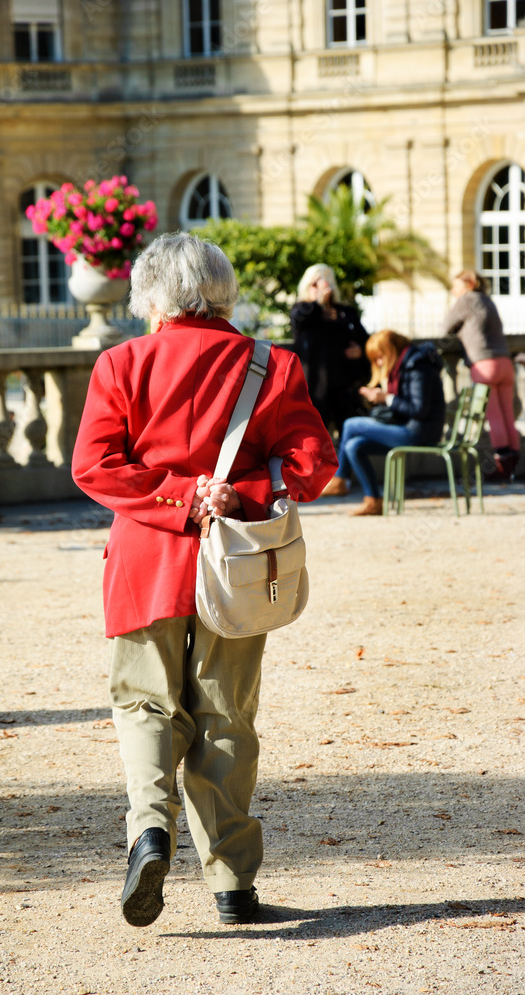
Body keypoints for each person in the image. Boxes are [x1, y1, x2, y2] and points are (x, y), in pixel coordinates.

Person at [71, 232, 337, 927]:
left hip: (144, 560)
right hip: (238, 566)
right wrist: (237, 491)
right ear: (221, 291)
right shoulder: (271, 364)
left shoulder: (121, 362)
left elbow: (94, 466)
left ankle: (149, 832)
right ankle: (232, 887)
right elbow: (312, 465)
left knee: (144, 705)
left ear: (151, 298)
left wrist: (177, 498)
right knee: (225, 715)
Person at [322, 329, 446, 515]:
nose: (379, 363)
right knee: (354, 446)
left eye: (380, 357)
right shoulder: (406, 365)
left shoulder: (417, 366)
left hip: (419, 432)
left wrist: (386, 398)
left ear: (390, 350)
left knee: (351, 425)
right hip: (409, 428)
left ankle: (340, 480)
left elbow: (418, 410)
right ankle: (374, 500)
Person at [439, 269, 519, 481]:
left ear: (469, 285)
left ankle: (501, 467)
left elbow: (444, 328)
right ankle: (512, 466)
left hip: (484, 364)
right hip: (505, 362)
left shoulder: (466, 300)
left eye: (456, 286)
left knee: (494, 417)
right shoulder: (488, 300)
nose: (453, 291)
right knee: (508, 416)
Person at [290, 263, 370, 435]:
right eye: (314, 283)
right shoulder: (302, 309)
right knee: (315, 436)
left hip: (345, 387)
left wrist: (361, 351)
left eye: (325, 282)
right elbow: (300, 320)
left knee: (349, 436)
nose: (321, 287)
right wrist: (318, 302)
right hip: (315, 388)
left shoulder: (345, 312)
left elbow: (367, 340)